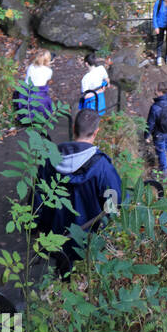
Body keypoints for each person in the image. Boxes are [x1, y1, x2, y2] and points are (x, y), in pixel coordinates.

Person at [33, 108, 122, 277]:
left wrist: (37, 227)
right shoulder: (102, 167)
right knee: (84, 274)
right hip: (88, 236)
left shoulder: (50, 159)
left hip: (56, 233)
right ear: (96, 132)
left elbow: (38, 196)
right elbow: (113, 203)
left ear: (73, 128)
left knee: (62, 268)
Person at [144, 82, 167, 176]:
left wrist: (146, 136)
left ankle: (163, 172)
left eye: (155, 89)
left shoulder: (155, 107)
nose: (154, 90)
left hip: (159, 134)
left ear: (160, 92)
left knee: (161, 151)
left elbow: (150, 123)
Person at [14, 49, 53, 126]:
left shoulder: (31, 67)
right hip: (39, 92)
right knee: (44, 100)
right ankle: (42, 118)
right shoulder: (48, 71)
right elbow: (46, 81)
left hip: (26, 91)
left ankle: (26, 117)